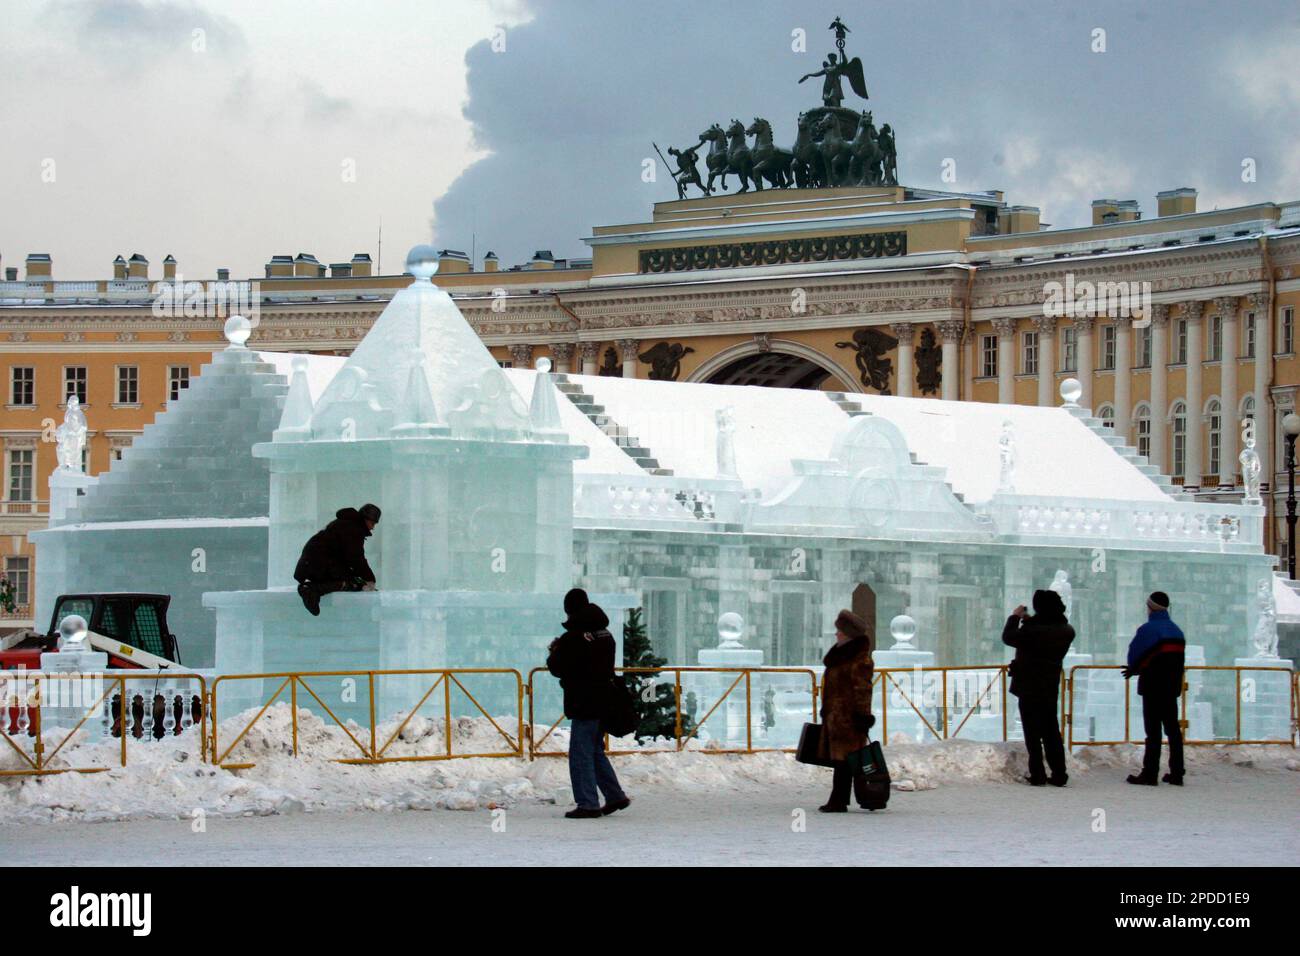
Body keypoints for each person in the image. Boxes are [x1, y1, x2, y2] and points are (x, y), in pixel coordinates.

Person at [546, 588, 630, 819]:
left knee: (581, 754)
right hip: (605, 700)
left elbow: (557, 666)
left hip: (584, 702)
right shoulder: (605, 634)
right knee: (594, 751)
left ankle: (588, 803)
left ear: (570, 610)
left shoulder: (573, 638)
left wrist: (555, 651)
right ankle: (614, 796)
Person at [1002, 590, 1075, 786]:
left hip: (1028, 685)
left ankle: (1038, 774)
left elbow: (1009, 637)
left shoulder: (1033, 631)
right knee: (1051, 730)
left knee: (1032, 732)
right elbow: (1041, 631)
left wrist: (1015, 617)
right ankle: (1060, 773)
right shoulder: (1066, 630)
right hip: (1050, 685)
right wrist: (1028, 620)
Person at [1123, 591, 1186, 786]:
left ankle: (1150, 773)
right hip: (1171, 686)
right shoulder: (1177, 631)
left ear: (1150, 607)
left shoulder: (1148, 630)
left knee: (1153, 731)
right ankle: (1177, 773)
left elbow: (1137, 654)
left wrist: (1133, 669)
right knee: (1173, 730)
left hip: (1152, 686)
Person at [816, 609, 875, 812]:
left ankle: (842, 799)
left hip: (850, 718)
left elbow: (863, 690)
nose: (836, 634)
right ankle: (854, 798)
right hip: (836, 717)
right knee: (844, 760)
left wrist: (862, 716)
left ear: (849, 634)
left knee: (845, 760)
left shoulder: (859, 660)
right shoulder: (840, 657)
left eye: (840, 631)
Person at [294, 503, 381, 616]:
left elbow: (347, 559)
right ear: (366, 519)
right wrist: (370, 579)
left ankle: (312, 587)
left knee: (355, 580)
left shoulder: (347, 524)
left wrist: (363, 579)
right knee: (353, 583)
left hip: (312, 565)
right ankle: (312, 589)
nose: (373, 527)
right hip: (319, 564)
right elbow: (356, 559)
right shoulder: (353, 529)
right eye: (373, 523)